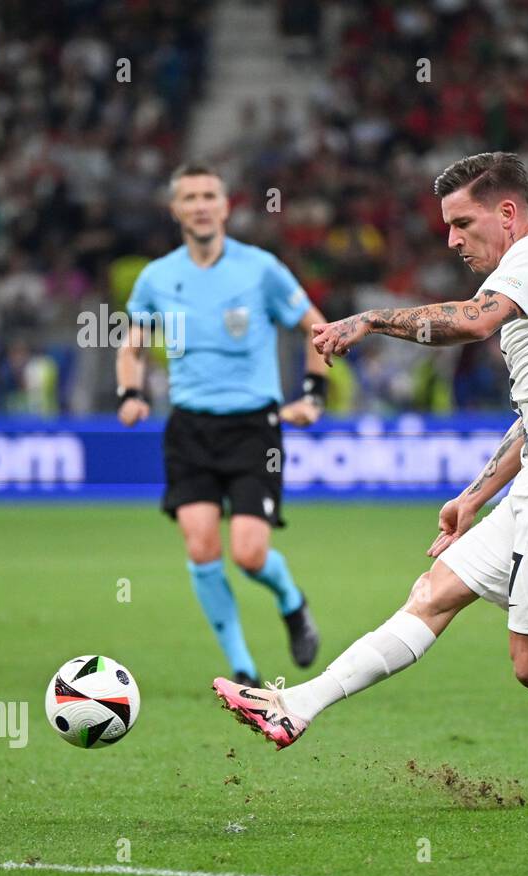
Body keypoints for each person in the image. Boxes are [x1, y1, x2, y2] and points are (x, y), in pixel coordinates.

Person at [212, 152, 528, 810]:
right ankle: (294, 706)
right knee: (433, 592)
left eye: (462, 223)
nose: (452, 240)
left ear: (507, 213)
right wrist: (475, 496)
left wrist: (373, 319)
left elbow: (471, 322)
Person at [118, 164, 326, 688]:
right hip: (189, 429)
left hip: (255, 429)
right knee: (201, 547)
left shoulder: (260, 269)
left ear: (226, 205)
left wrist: (313, 396)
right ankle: (242, 667)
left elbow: (317, 327)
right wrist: (131, 393)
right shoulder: (156, 278)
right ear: (176, 209)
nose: (201, 204)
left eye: (210, 194)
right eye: (189, 196)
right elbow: (133, 345)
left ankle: (292, 602)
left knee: (250, 554)